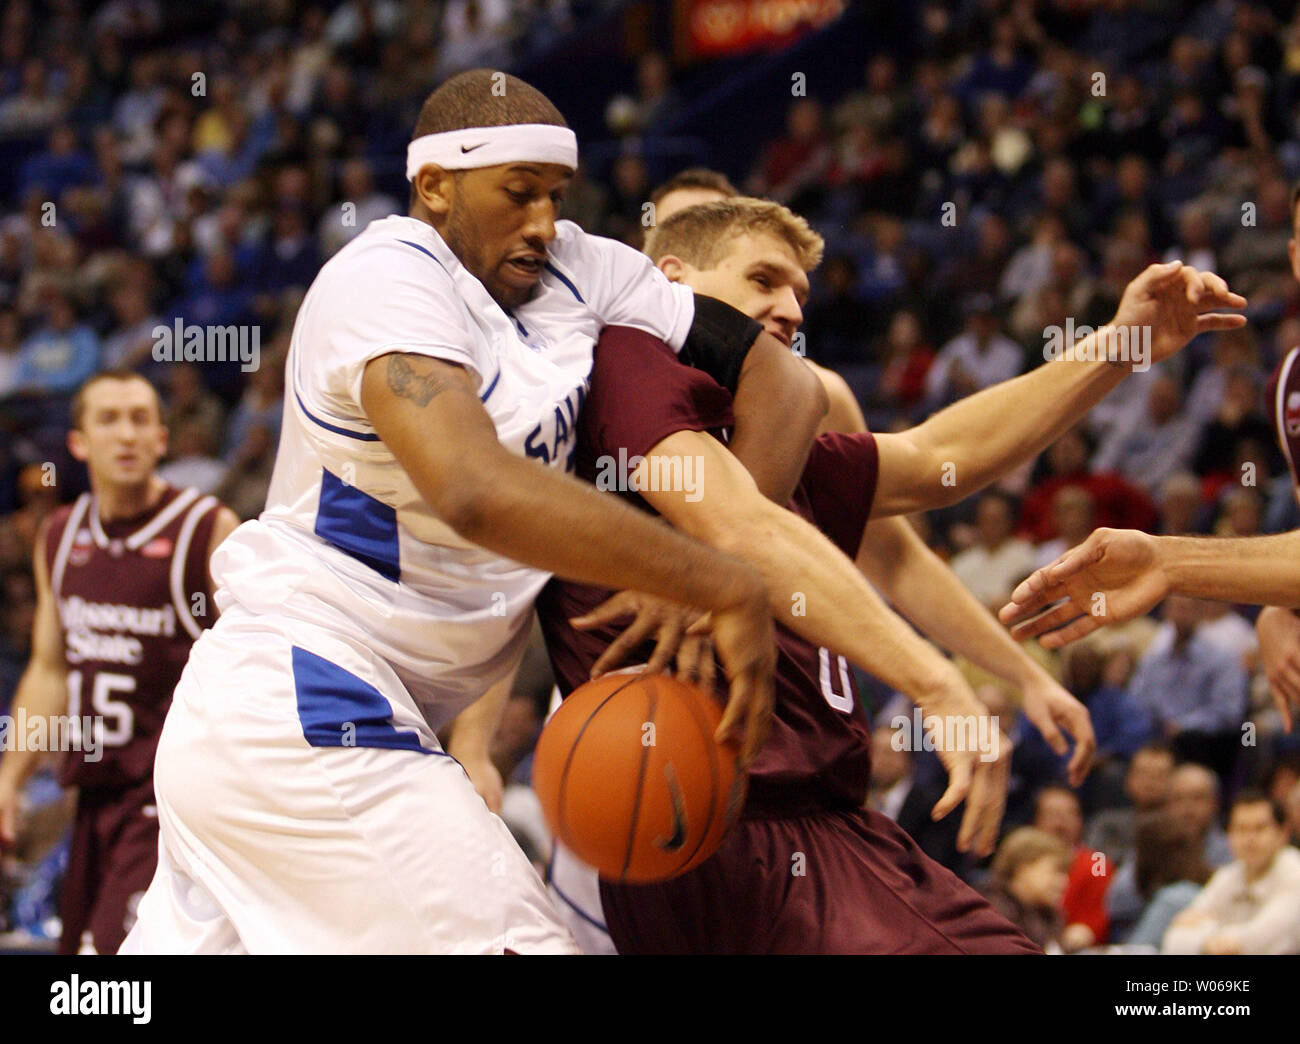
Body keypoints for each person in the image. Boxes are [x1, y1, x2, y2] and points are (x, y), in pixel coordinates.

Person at [120, 70, 827, 955]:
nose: (542, 221)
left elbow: (786, 384)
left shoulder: (588, 268)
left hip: (334, 721)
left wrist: (729, 542)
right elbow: (472, 488)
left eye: (556, 195)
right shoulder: (383, 280)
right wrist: (717, 579)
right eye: (518, 194)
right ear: (435, 187)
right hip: (307, 696)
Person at [530, 196, 1242, 953]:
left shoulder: (777, 449)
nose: (790, 309)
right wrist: (939, 684)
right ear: (670, 282)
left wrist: (1120, 344)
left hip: (732, 854)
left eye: (802, 292)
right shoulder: (626, 389)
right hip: (772, 837)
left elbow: (947, 456)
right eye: (764, 280)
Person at [0, 371, 239, 954]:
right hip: (93, 796)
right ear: (78, 443)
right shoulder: (59, 535)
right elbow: (51, 669)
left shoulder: (206, 529)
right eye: (108, 420)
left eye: (139, 418)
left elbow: (252, 669)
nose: (126, 434)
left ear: (162, 437)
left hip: (172, 799)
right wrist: (9, 779)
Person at [1161, 791, 1300, 954]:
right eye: (1241, 829)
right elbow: (1174, 940)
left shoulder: (1294, 873)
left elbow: (1256, 943)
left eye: (1259, 828)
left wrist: (1207, 932)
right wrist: (1214, 942)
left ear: (1282, 833)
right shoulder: (1228, 874)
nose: (1249, 839)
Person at [981, 827, 1072, 953]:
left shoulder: (1049, 915)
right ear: (1023, 867)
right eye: (1055, 871)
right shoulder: (992, 912)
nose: (1064, 881)